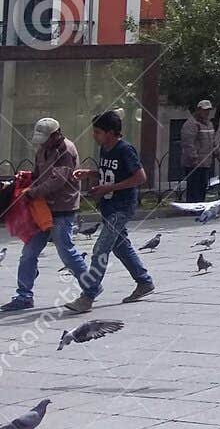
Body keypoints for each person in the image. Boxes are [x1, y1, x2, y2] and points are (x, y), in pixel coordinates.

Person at [67, 110, 154, 313]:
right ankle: (144, 281)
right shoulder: (105, 149)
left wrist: (109, 189)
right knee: (120, 246)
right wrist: (91, 173)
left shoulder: (125, 149)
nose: (94, 136)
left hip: (122, 207)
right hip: (109, 206)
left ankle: (88, 295)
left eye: (98, 132)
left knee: (100, 249)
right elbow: (112, 173)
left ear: (112, 132)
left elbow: (140, 177)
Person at [2, 118, 89, 313]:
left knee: (67, 252)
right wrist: (19, 181)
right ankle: (24, 296)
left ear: (56, 134)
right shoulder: (43, 149)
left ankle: (90, 288)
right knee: (29, 254)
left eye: (45, 139)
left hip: (63, 209)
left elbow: (56, 182)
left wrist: (31, 192)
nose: (42, 143)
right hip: (43, 209)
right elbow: (39, 174)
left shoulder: (66, 150)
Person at [179, 99, 220, 203]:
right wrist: (194, 158)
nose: (207, 112)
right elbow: (188, 143)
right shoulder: (191, 124)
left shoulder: (209, 124)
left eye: (208, 110)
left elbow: (213, 141)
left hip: (205, 162)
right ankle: (192, 206)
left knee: (203, 186)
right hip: (194, 164)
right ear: (198, 110)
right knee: (193, 187)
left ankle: (200, 206)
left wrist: (218, 153)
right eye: (204, 110)